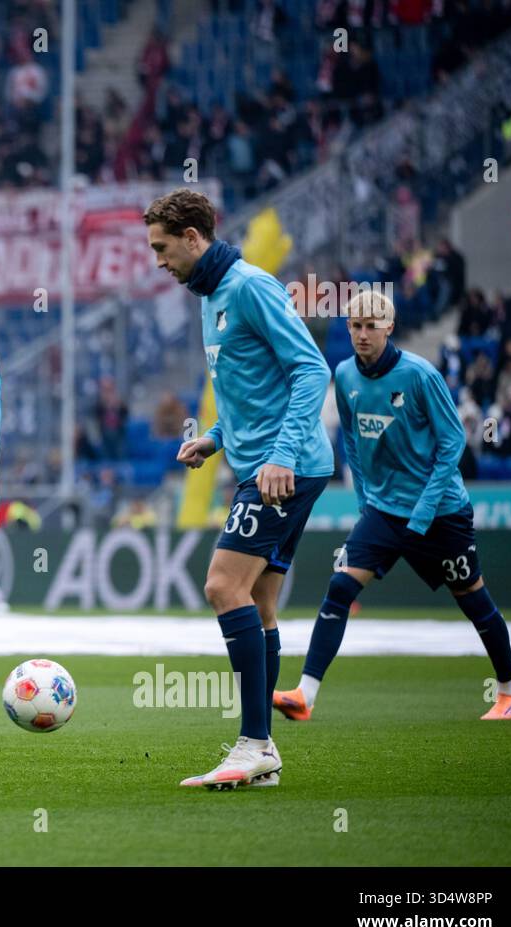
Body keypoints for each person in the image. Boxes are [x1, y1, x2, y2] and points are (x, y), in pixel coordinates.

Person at [148, 188, 334, 790]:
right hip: (268, 464)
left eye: (162, 247)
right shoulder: (210, 295)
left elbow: (310, 370)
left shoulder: (251, 286)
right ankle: (263, 751)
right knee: (258, 601)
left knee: (221, 586)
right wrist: (214, 438)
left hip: (284, 470)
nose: (158, 260)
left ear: (193, 238)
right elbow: (251, 390)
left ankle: (254, 743)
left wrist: (280, 455)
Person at [274, 291, 511, 721]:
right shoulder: (345, 375)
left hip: (441, 513)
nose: (362, 334)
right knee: (340, 588)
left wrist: (424, 512)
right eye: (355, 326)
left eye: (371, 326)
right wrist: (364, 500)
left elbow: (453, 443)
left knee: (473, 599)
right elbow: (351, 439)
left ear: (389, 327)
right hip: (384, 512)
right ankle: (305, 695)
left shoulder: (420, 375)